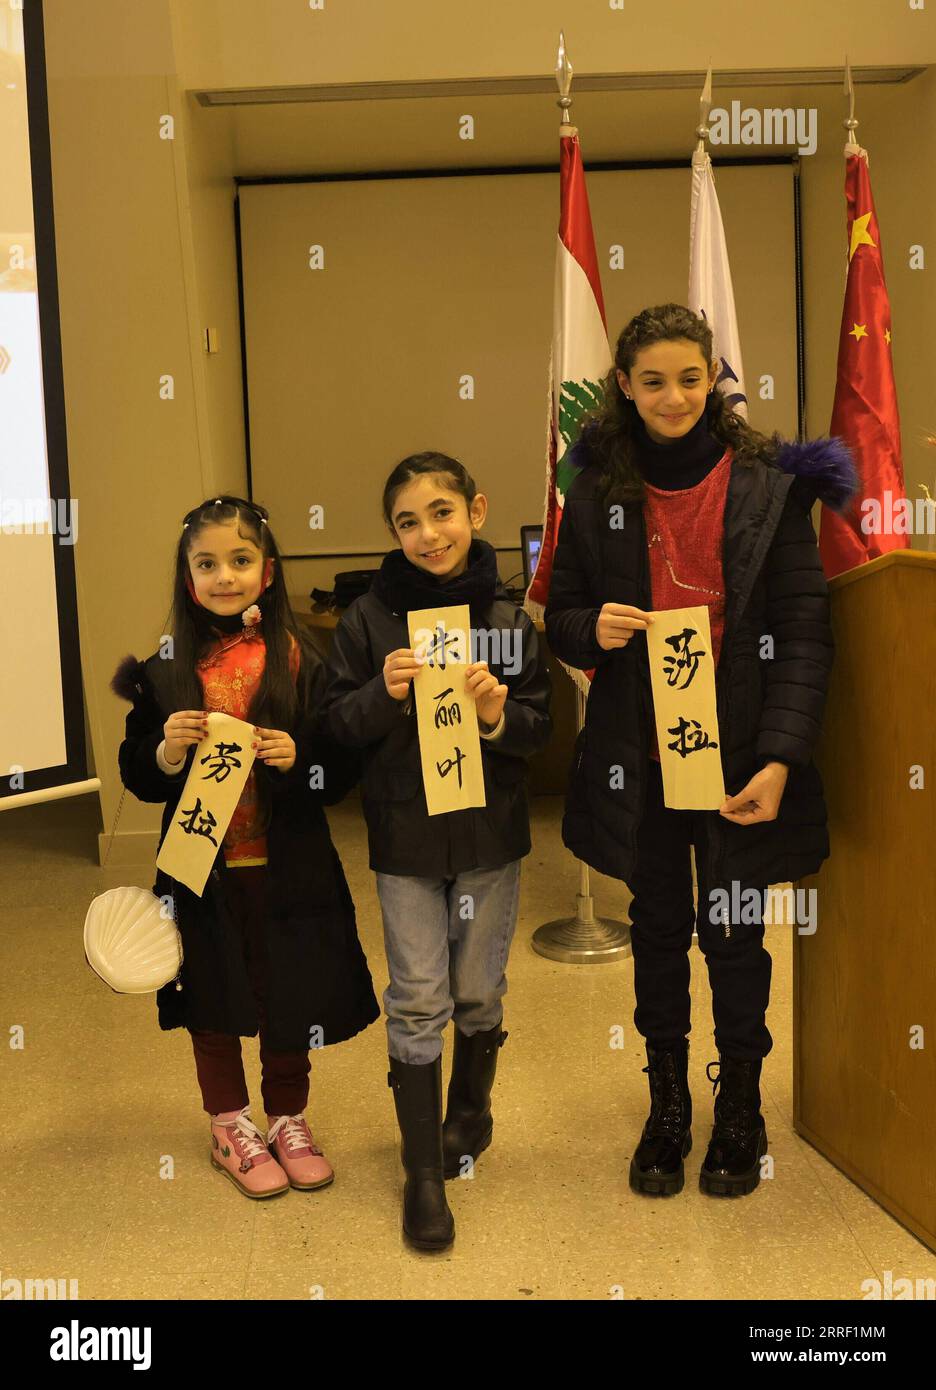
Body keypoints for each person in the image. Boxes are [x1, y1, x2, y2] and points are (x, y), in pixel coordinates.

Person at [545, 304, 858, 1199]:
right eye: (653, 380)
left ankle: (743, 1105)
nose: (673, 396)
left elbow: (804, 633)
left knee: (733, 936)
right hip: (639, 755)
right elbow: (562, 607)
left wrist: (780, 758)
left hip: (740, 753)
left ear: (714, 378)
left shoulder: (768, 482)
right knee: (655, 932)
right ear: (624, 387)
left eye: (690, 378)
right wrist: (590, 627)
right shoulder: (597, 484)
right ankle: (668, 1104)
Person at [111, 495, 380, 1199]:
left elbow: (340, 768)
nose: (223, 576)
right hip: (202, 870)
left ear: (267, 572)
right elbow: (135, 770)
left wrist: (302, 756)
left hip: (288, 865)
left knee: (289, 989)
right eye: (206, 563)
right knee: (213, 992)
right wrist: (164, 752)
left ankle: (288, 1115)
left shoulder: (300, 658)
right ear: (186, 573)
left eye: (240, 560)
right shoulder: (167, 666)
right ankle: (230, 1121)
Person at [321, 452, 552, 1249]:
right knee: (419, 993)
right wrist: (379, 696)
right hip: (407, 839)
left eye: (442, 513)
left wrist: (495, 714)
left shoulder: (509, 620)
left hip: (490, 837)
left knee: (478, 990)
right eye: (408, 522)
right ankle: (423, 1173)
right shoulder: (366, 620)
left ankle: (471, 1110)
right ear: (392, 533)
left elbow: (541, 729)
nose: (428, 534)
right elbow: (334, 729)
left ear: (476, 511)